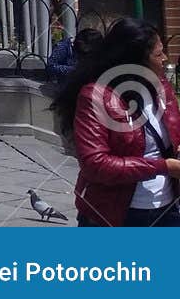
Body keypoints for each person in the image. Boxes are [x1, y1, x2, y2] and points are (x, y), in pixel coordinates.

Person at [51, 17, 180, 226]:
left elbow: (174, 133)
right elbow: (96, 164)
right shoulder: (96, 96)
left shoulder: (161, 87)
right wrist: (163, 166)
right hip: (114, 214)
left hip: (167, 210)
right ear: (136, 60)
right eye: (158, 54)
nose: (165, 58)